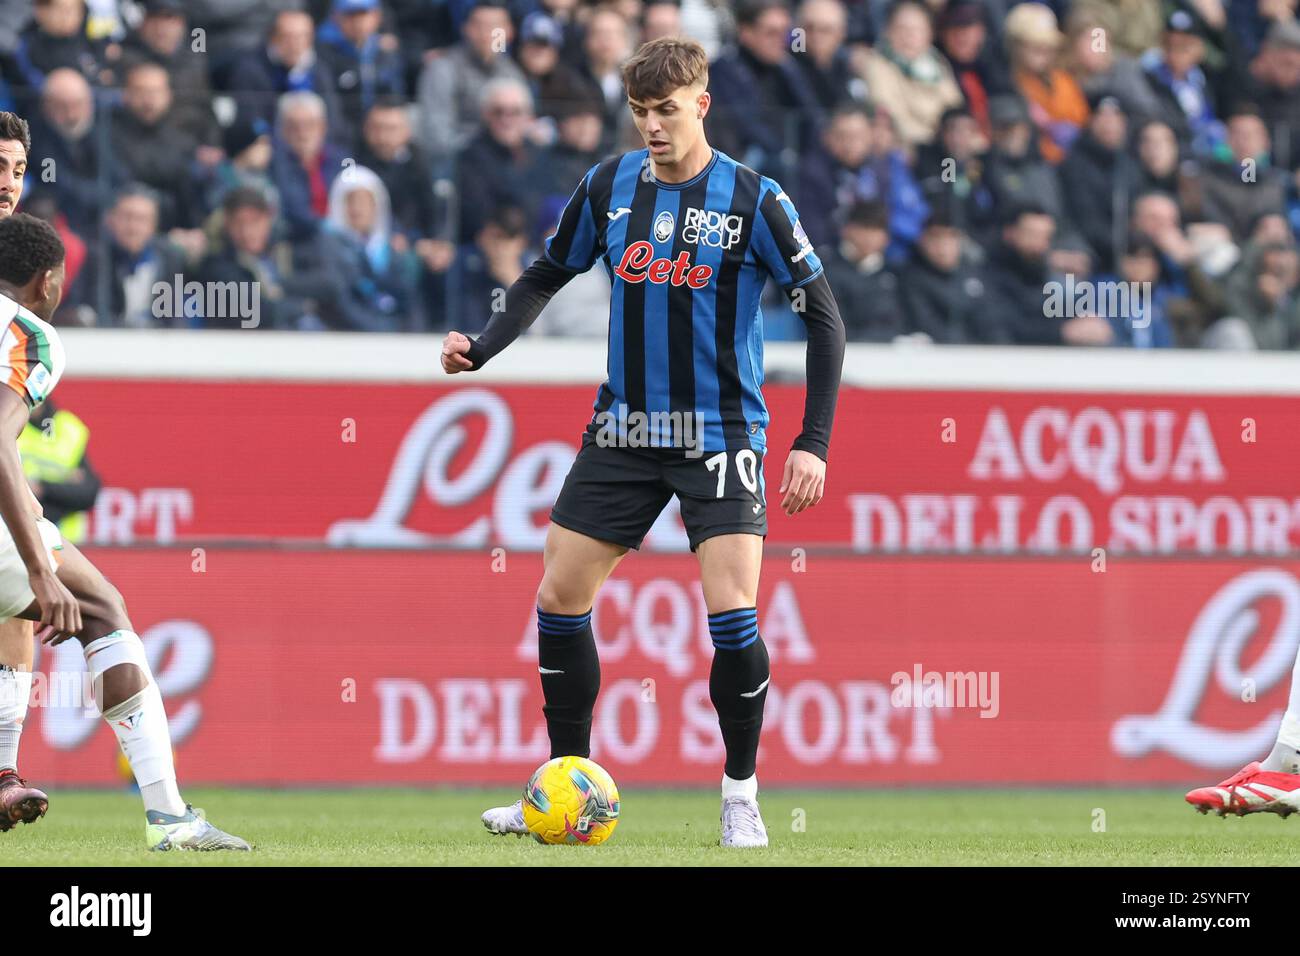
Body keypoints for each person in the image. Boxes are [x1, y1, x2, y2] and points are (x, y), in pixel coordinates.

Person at [444, 37, 845, 848]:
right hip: (625, 427)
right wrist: (484, 346)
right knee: (559, 599)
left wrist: (813, 442)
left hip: (721, 431)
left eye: (666, 110)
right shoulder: (608, 186)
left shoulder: (753, 199)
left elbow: (826, 319)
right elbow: (544, 275)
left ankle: (740, 793)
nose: (653, 127)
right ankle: (566, 787)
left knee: (731, 612)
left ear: (701, 103)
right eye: (639, 113)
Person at [0, 212, 249, 849]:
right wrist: (36, 568)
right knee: (105, 610)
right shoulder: (31, 335)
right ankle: (170, 819)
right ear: (49, 281)